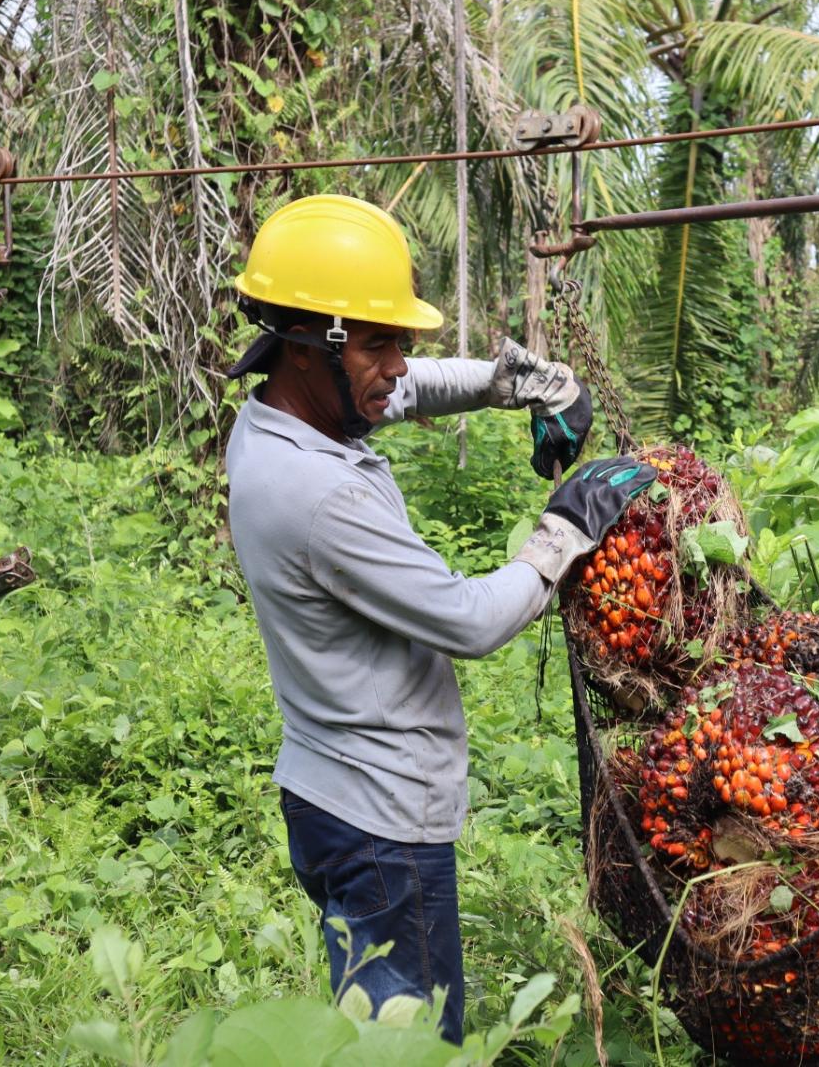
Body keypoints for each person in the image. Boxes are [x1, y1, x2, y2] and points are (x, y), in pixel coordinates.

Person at [223, 194, 653, 1042]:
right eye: (380, 345)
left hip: (329, 792)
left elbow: (402, 390)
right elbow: (468, 620)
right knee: (412, 1052)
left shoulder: (277, 416)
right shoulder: (321, 496)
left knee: (368, 1037)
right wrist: (562, 531)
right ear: (310, 346)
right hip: (380, 827)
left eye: (402, 343)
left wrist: (509, 382)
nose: (400, 366)